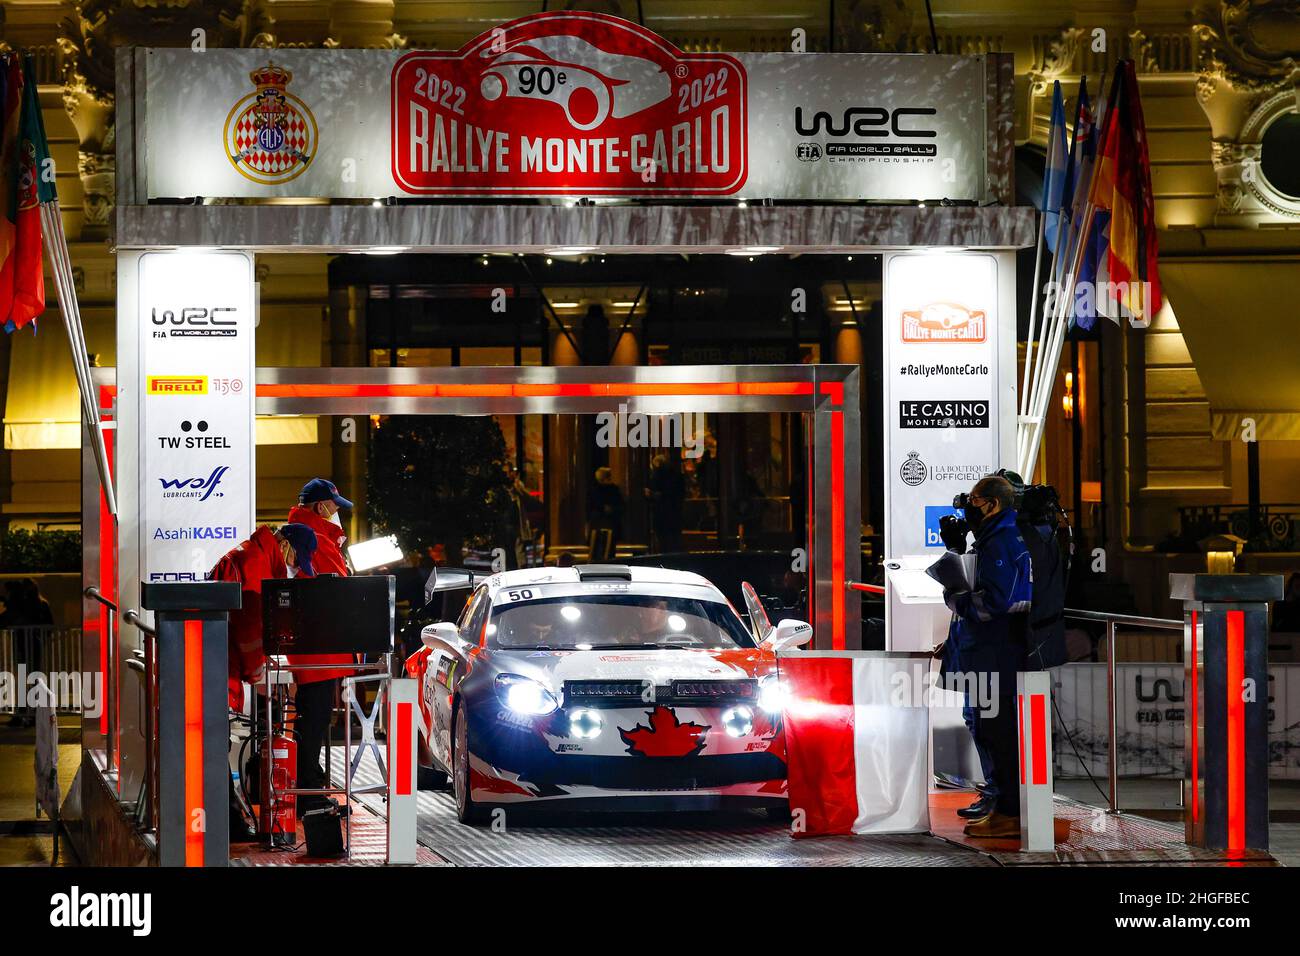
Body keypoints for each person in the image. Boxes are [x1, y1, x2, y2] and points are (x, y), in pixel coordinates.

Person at [938, 474, 1033, 839]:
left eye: (974, 501)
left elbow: (997, 601)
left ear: (993, 504)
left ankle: (1008, 810)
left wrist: (954, 597)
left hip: (993, 656)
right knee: (981, 723)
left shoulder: (1002, 541)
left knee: (995, 729)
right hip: (980, 652)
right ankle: (997, 798)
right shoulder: (990, 539)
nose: (967, 508)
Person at [209, 522, 318, 839]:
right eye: (297, 562)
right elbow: (249, 624)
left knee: (216, 742)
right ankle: (226, 823)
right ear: (285, 547)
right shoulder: (256, 561)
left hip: (216, 661)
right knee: (215, 743)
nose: (294, 572)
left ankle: (229, 818)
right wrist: (259, 673)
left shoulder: (253, 553)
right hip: (217, 666)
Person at [286, 477, 356, 812]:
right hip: (319, 649)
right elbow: (335, 586)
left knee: (312, 719)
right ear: (320, 507)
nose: (336, 515)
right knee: (313, 720)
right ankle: (309, 795)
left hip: (317, 648)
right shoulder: (312, 537)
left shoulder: (308, 533)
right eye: (334, 508)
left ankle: (310, 786)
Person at [644, 453, 685, 553]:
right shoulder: (677, 475)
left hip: (661, 511)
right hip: (675, 511)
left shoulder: (658, 476)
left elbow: (658, 493)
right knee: (674, 538)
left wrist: (651, 494)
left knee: (663, 538)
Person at [587, 466, 623, 561]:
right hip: (600, 522)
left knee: (608, 548)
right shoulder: (596, 490)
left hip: (606, 522)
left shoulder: (611, 489)